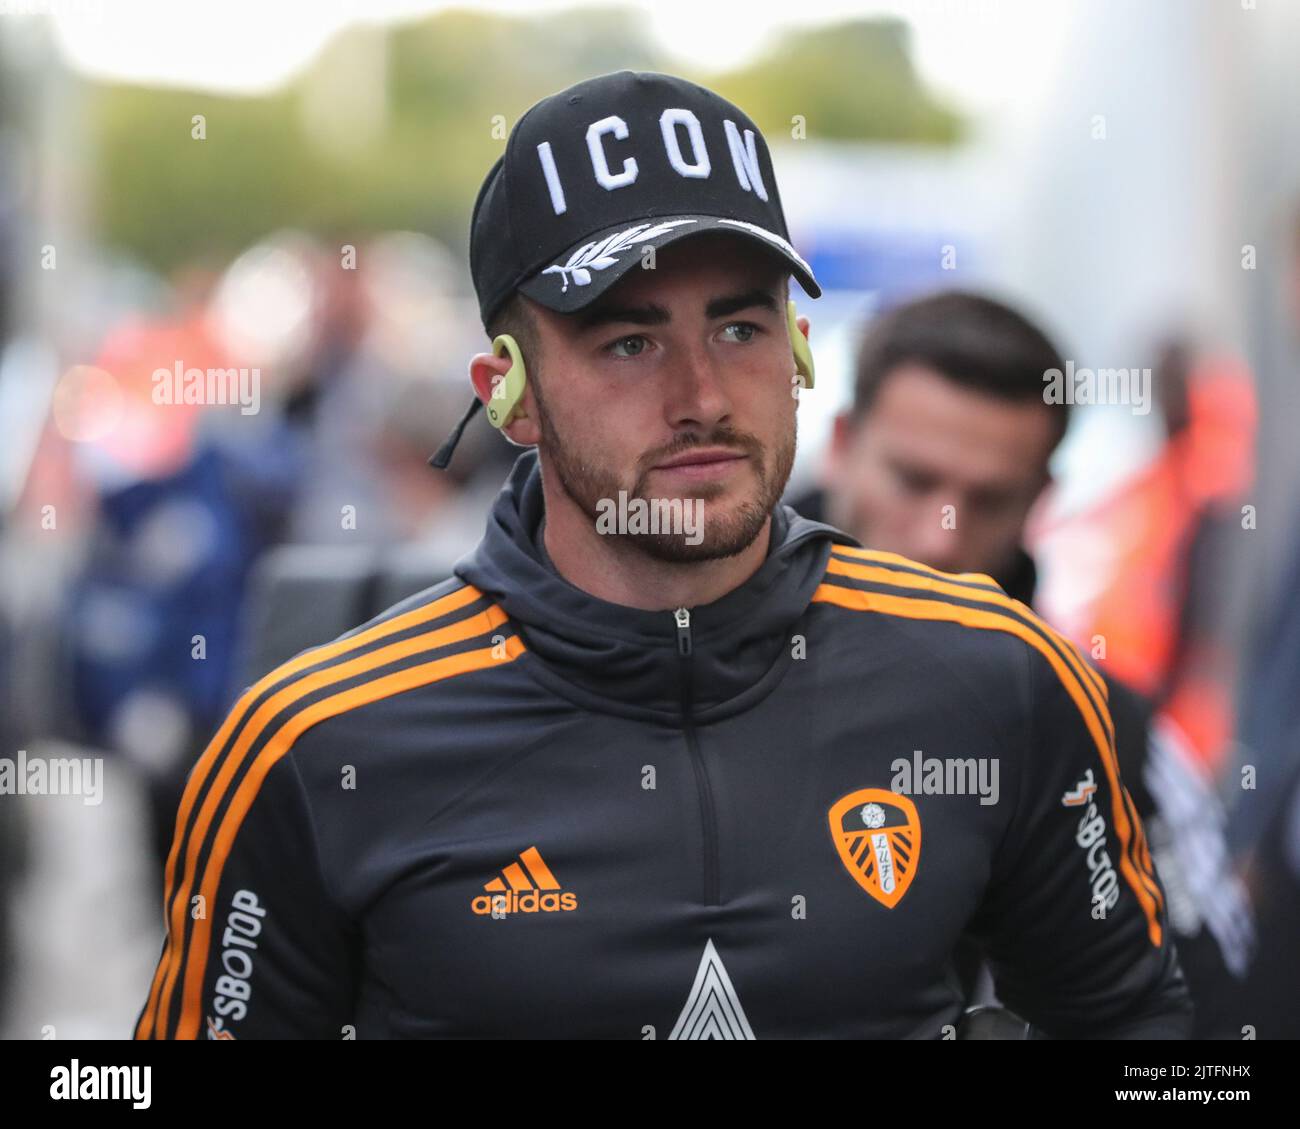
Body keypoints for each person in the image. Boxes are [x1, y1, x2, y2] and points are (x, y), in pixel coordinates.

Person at [135, 71, 1189, 1040]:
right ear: (507, 390)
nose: (701, 398)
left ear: (802, 354)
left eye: (739, 330)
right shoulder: (307, 745)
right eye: (627, 342)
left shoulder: (999, 675)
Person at [789, 290, 1251, 1034]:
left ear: (1043, 497)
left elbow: (1216, 1036)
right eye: (914, 480)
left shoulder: (1103, 733)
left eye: (989, 499)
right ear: (841, 442)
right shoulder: (686, 663)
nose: (942, 536)